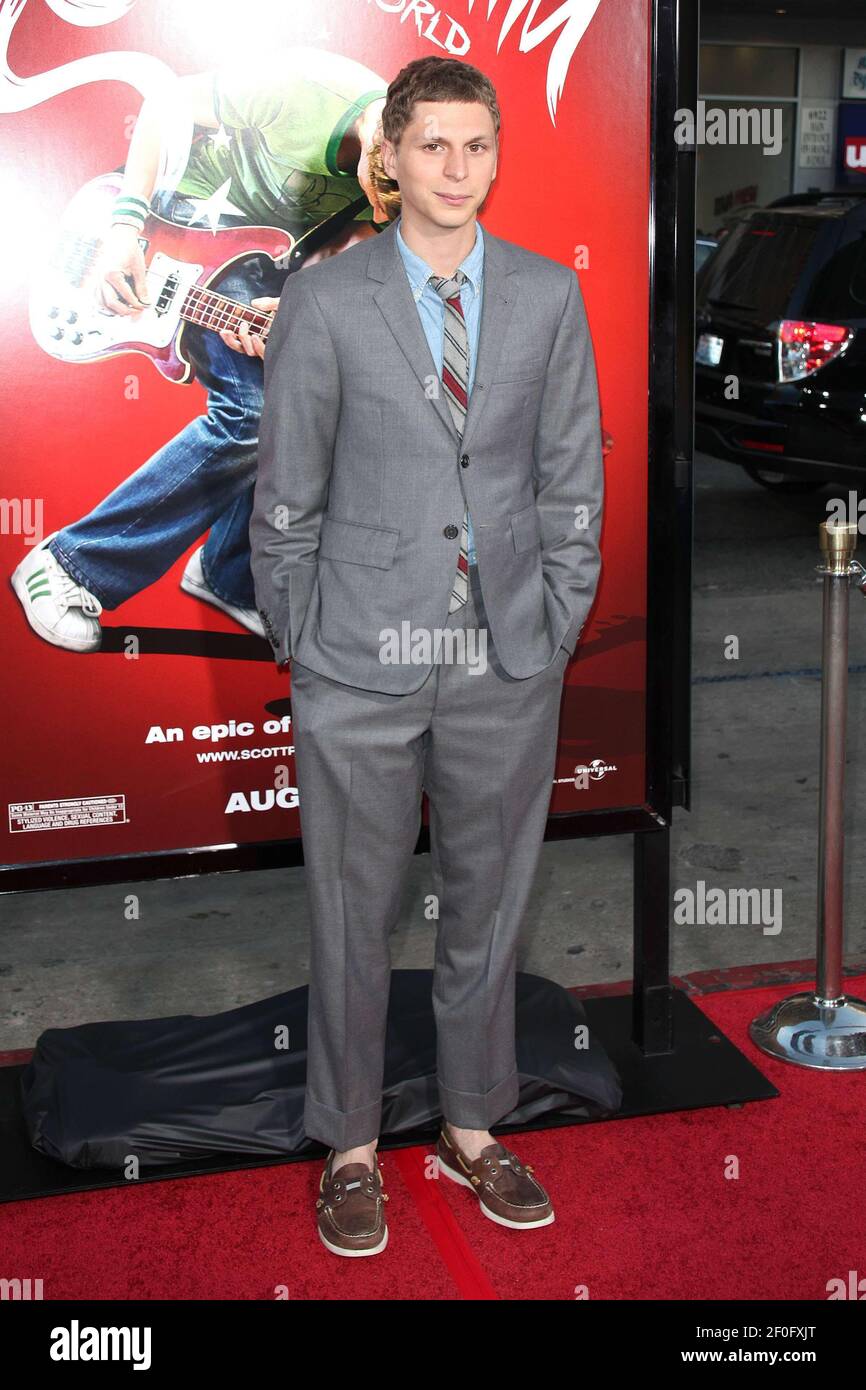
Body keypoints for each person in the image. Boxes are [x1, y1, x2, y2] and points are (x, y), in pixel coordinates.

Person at [250, 54, 604, 1256]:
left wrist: (553, 621)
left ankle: (471, 1122)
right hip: (355, 653)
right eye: (434, 144)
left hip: (504, 653)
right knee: (352, 906)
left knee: (488, 905)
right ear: (390, 159)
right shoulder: (324, 301)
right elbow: (284, 493)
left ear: (496, 158)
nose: (457, 168)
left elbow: (570, 476)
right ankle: (349, 1144)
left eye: (477, 145)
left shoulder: (548, 295)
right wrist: (302, 638)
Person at [12, 47, 391, 650]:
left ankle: (229, 575)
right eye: (386, 191)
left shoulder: (423, 180)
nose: (386, 209)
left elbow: (338, 251)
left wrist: (296, 310)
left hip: (265, 259)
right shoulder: (302, 87)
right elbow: (164, 106)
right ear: (380, 141)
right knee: (256, 413)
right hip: (178, 227)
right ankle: (69, 565)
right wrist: (124, 228)